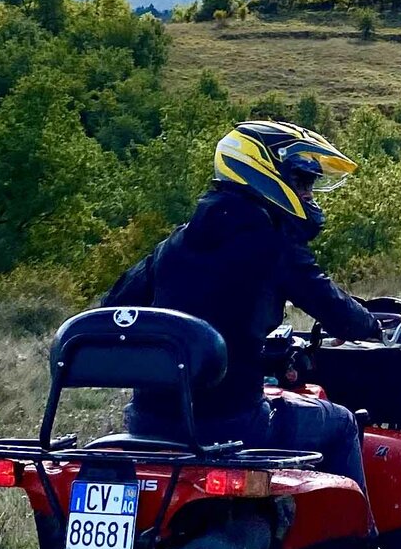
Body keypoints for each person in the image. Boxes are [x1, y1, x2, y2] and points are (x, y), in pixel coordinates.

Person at [103, 120, 383, 491]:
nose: (309, 196)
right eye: (302, 182)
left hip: (148, 422)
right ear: (263, 172)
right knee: (343, 423)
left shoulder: (174, 244)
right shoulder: (272, 245)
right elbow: (335, 309)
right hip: (233, 422)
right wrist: (373, 326)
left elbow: (112, 308)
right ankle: (356, 546)